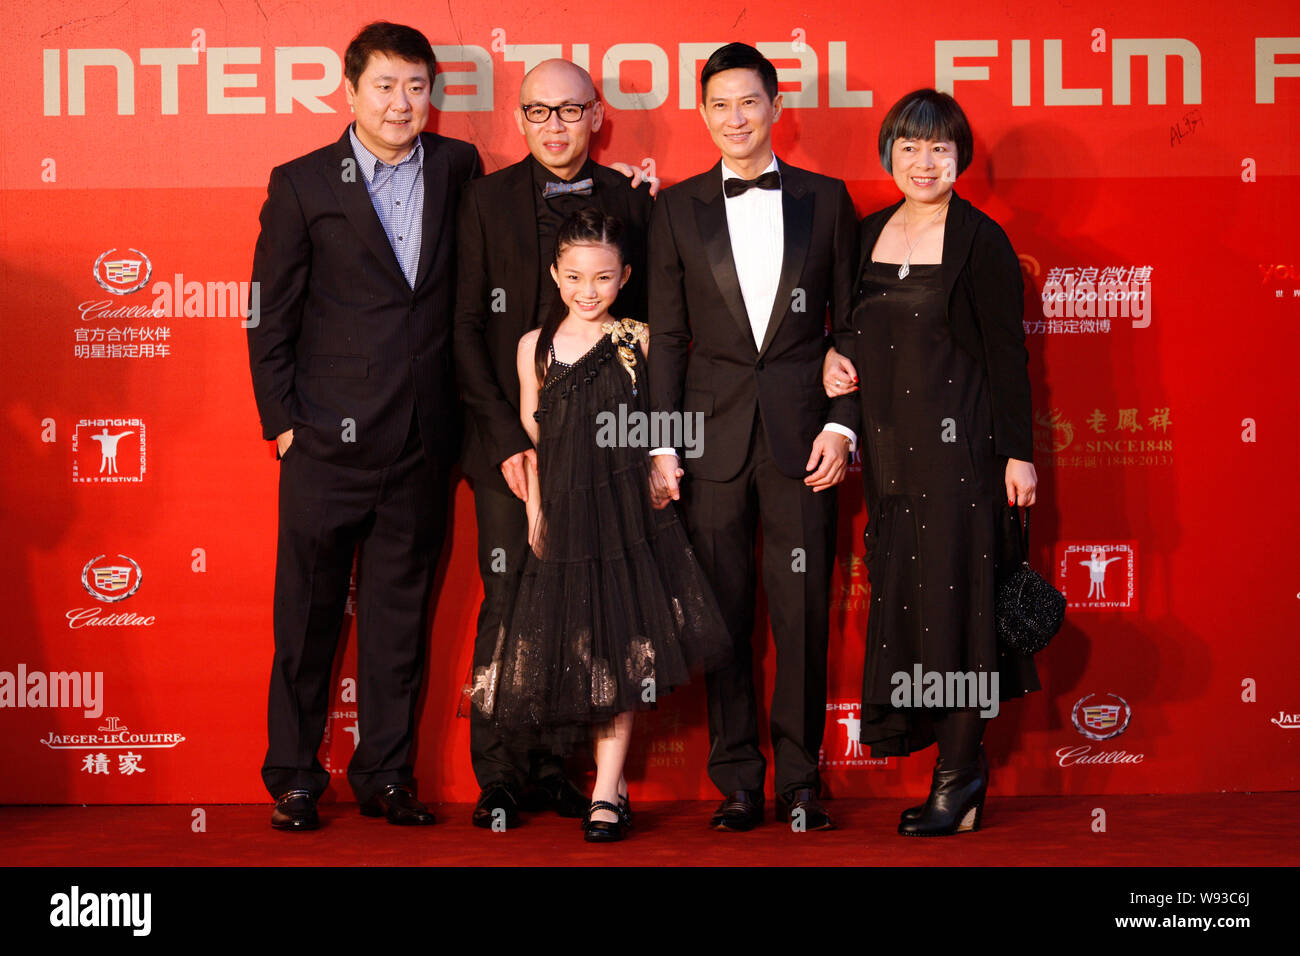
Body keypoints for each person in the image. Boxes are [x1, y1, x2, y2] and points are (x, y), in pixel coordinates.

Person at [246, 21, 481, 830]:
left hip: (421, 441)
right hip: (324, 442)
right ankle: (294, 775)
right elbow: (267, 315)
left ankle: (385, 775)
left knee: (398, 622)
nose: (401, 102)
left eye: (417, 86)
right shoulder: (304, 183)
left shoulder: (457, 168)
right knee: (306, 619)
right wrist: (283, 424)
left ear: (433, 95)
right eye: (385, 86)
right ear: (350, 93)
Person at [647, 43, 860, 832]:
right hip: (707, 442)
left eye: (749, 101)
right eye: (719, 105)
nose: (735, 118)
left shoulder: (829, 201)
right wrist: (662, 445)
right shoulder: (675, 208)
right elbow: (667, 337)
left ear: (777, 106)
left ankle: (802, 780)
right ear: (702, 114)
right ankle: (738, 778)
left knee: (803, 611)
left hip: (806, 438)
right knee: (722, 614)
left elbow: (856, 324)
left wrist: (844, 426)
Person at [473, 209, 731, 842]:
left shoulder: (639, 340)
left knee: (622, 651)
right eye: (576, 277)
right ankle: (590, 784)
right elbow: (537, 445)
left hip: (626, 518)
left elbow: (661, 420)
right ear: (556, 276)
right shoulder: (531, 347)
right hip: (559, 519)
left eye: (604, 278)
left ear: (625, 278)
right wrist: (536, 515)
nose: (589, 291)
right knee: (575, 653)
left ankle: (606, 793)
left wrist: (657, 470)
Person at [822, 88, 1040, 836]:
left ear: (961, 158)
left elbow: (1009, 358)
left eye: (939, 149)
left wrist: (1017, 453)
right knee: (915, 607)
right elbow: (851, 325)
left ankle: (959, 775)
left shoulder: (981, 241)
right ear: (889, 153)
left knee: (960, 613)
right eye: (910, 147)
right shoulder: (870, 230)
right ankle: (953, 769)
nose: (923, 162)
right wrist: (835, 357)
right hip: (889, 460)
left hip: (962, 459)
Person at [453, 59, 654, 829]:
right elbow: (465, 328)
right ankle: (501, 773)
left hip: (605, 455)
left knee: (587, 610)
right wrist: (508, 439)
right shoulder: (481, 201)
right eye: (538, 111)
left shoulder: (632, 203)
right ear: (521, 119)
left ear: (596, 116)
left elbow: (656, 324)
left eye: (570, 111)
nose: (555, 126)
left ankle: (557, 771)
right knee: (510, 602)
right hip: (512, 445)